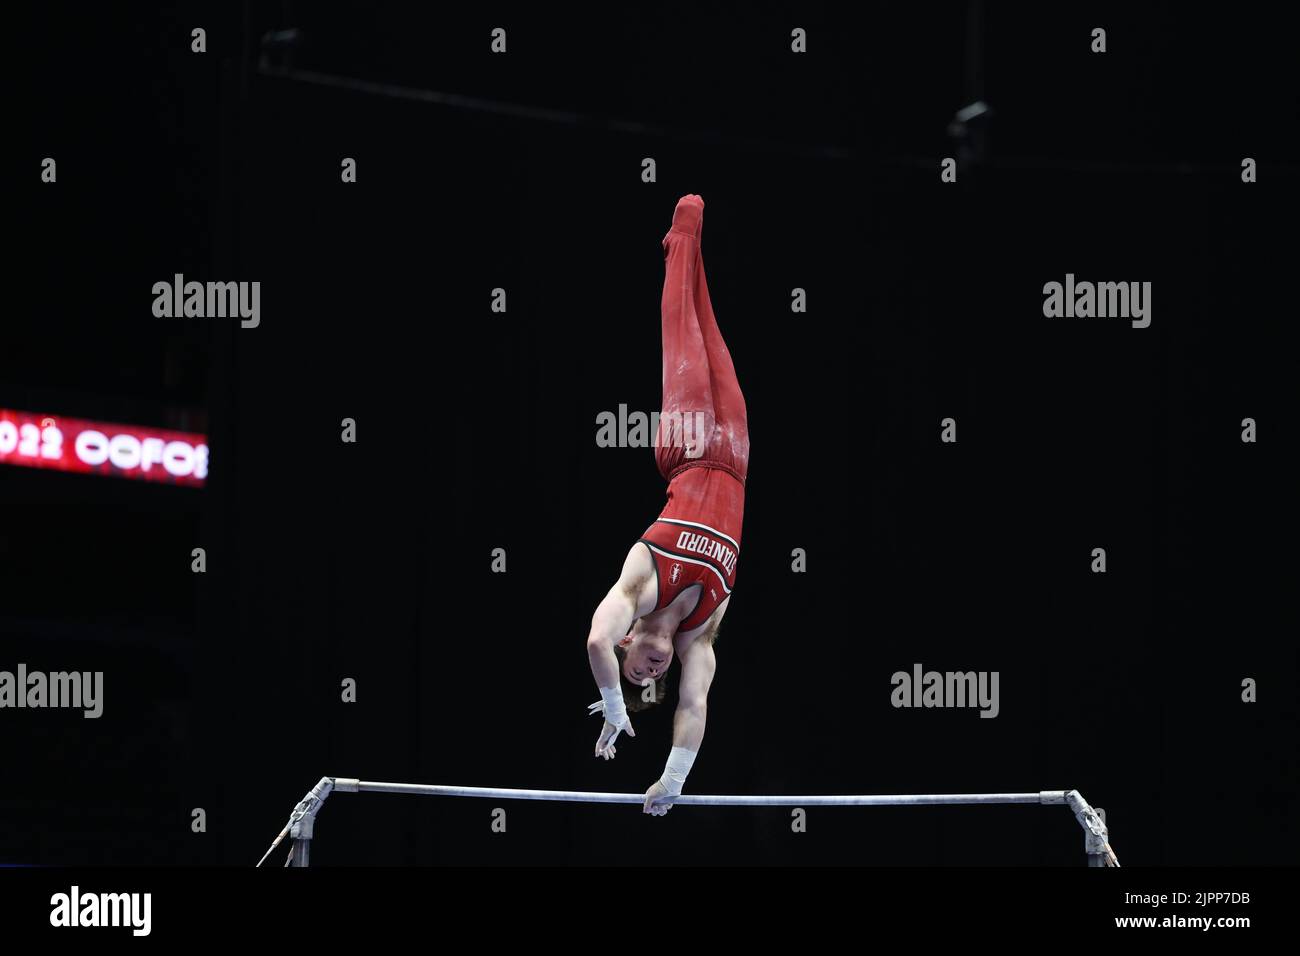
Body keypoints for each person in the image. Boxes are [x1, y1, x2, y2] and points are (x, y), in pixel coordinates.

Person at [585, 194, 749, 816]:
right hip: (735, 456)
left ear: (630, 645)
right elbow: (694, 705)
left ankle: (680, 240)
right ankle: (696, 248)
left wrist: (615, 706)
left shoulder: (638, 585)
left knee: (680, 324)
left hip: (686, 447)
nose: (651, 672)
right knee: (710, 325)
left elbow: (594, 640)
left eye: (637, 674)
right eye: (652, 682)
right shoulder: (700, 633)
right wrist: (673, 779)